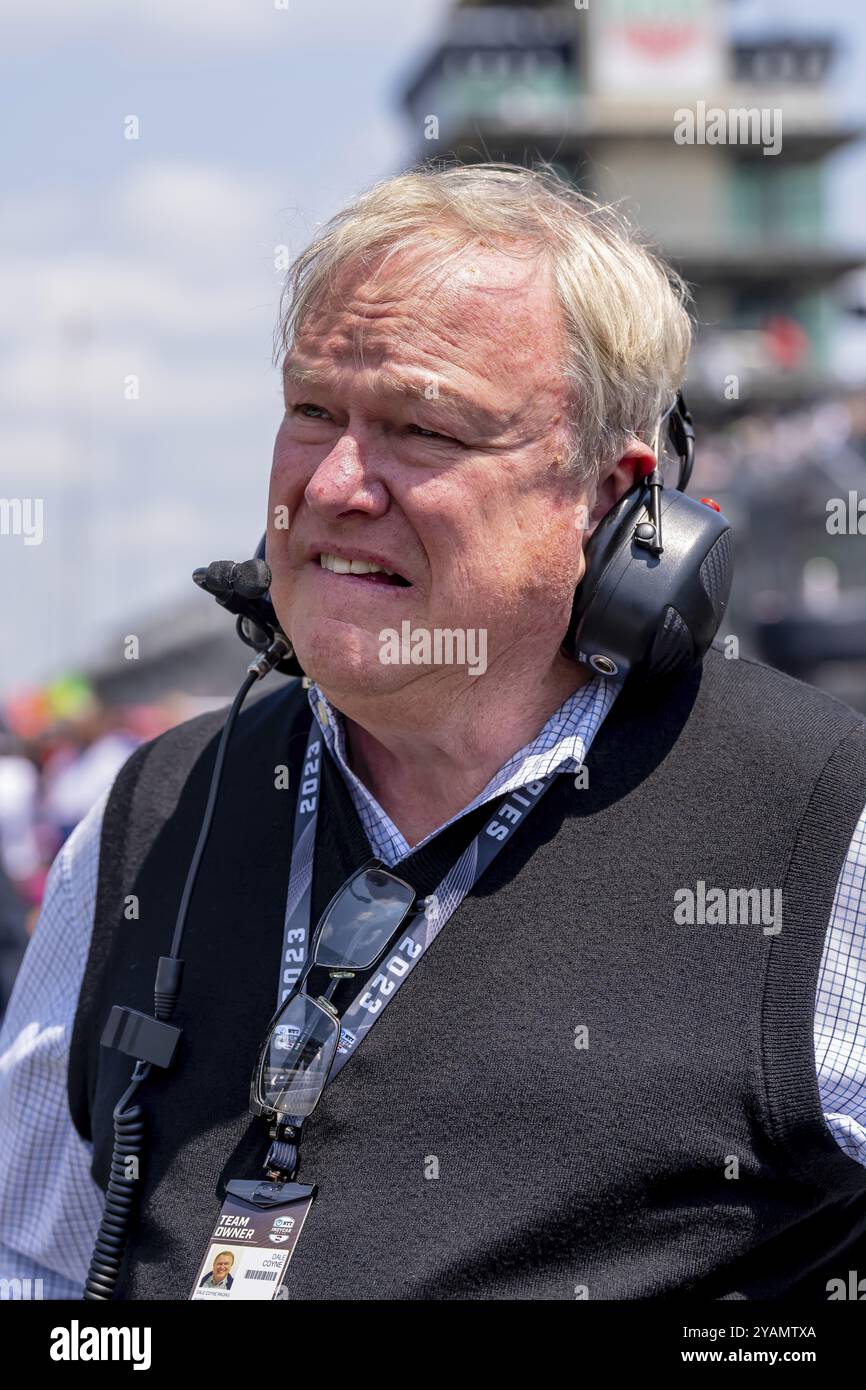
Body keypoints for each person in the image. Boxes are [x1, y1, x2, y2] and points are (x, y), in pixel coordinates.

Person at [1, 163, 865, 1301]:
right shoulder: (150, 812)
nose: (337, 484)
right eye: (312, 411)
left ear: (610, 501)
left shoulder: (823, 827)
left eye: (422, 428)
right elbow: (35, 1261)